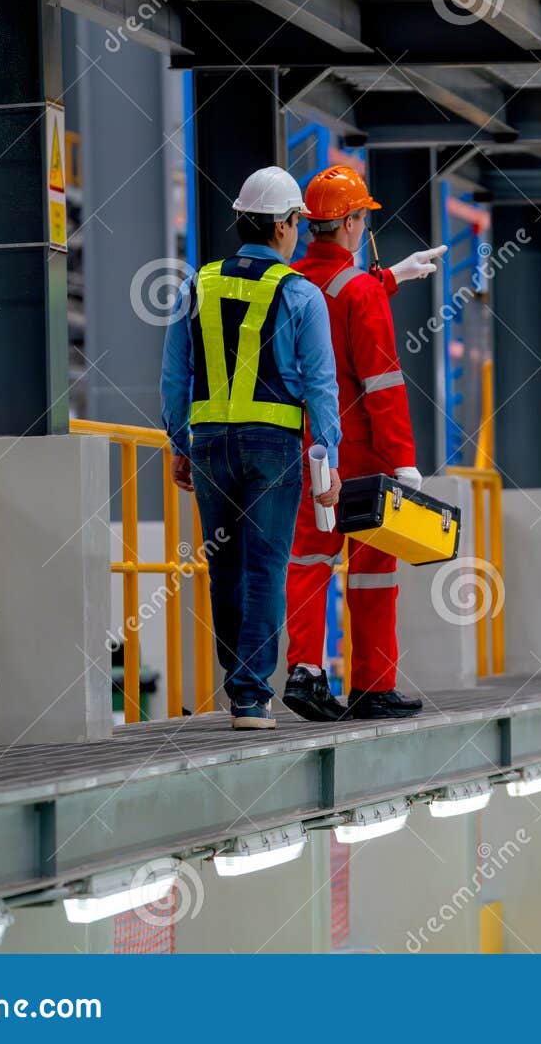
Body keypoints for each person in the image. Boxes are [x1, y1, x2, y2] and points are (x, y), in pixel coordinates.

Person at [161, 165, 342, 730]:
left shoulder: (197, 285)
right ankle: (249, 697)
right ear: (285, 225)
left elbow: (174, 375)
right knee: (266, 566)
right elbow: (319, 383)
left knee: (225, 566)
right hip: (273, 449)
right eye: (297, 224)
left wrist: (179, 442)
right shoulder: (300, 294)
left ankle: (238, 679)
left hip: (211, 444)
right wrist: (328, 456)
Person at [279, 164, 445, 721]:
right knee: (373, 571)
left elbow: (335, 299)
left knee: (308, 560)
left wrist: (392, 276)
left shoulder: (292, 286)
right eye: (361, 219)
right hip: (366, 454)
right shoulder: (360, 293)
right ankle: (373, 684)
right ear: (350, 223)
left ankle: (305, 673)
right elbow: (383, 383)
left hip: (307, 451)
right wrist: (403, 461)